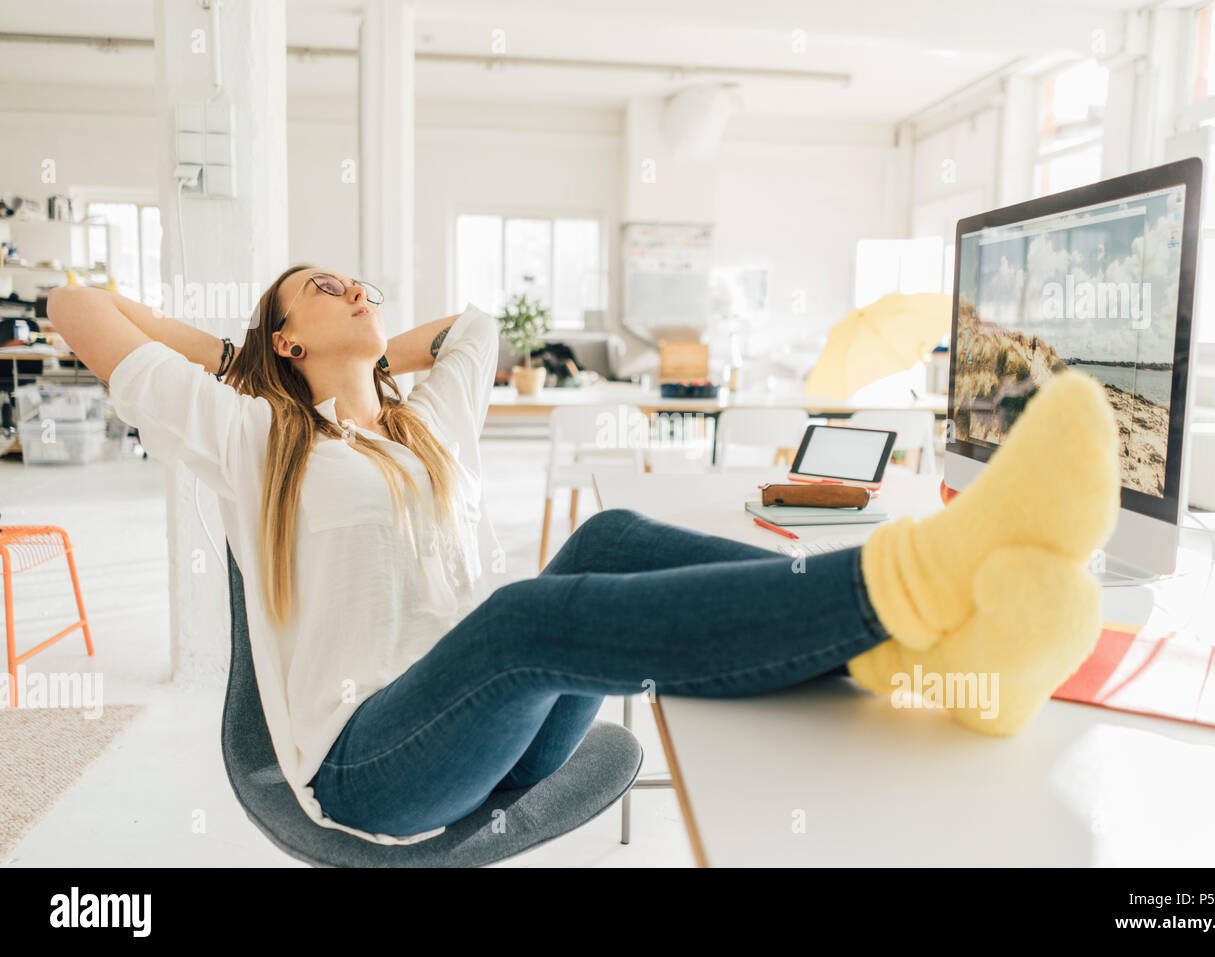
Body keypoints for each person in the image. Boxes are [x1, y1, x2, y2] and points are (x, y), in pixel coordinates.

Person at [47, 264, 1119, 842]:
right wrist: (250, 363)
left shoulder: (430, 427)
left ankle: (919, 658)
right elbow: (76, 306)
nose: (358, 290)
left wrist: (367, 342)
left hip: (495, 735)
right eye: (325, 290)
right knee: (523, 619)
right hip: (369, 768)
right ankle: (921, 574)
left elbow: (474, 328)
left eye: (361, 282)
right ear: (282, 340)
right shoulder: (252, 437)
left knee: (600, 538)